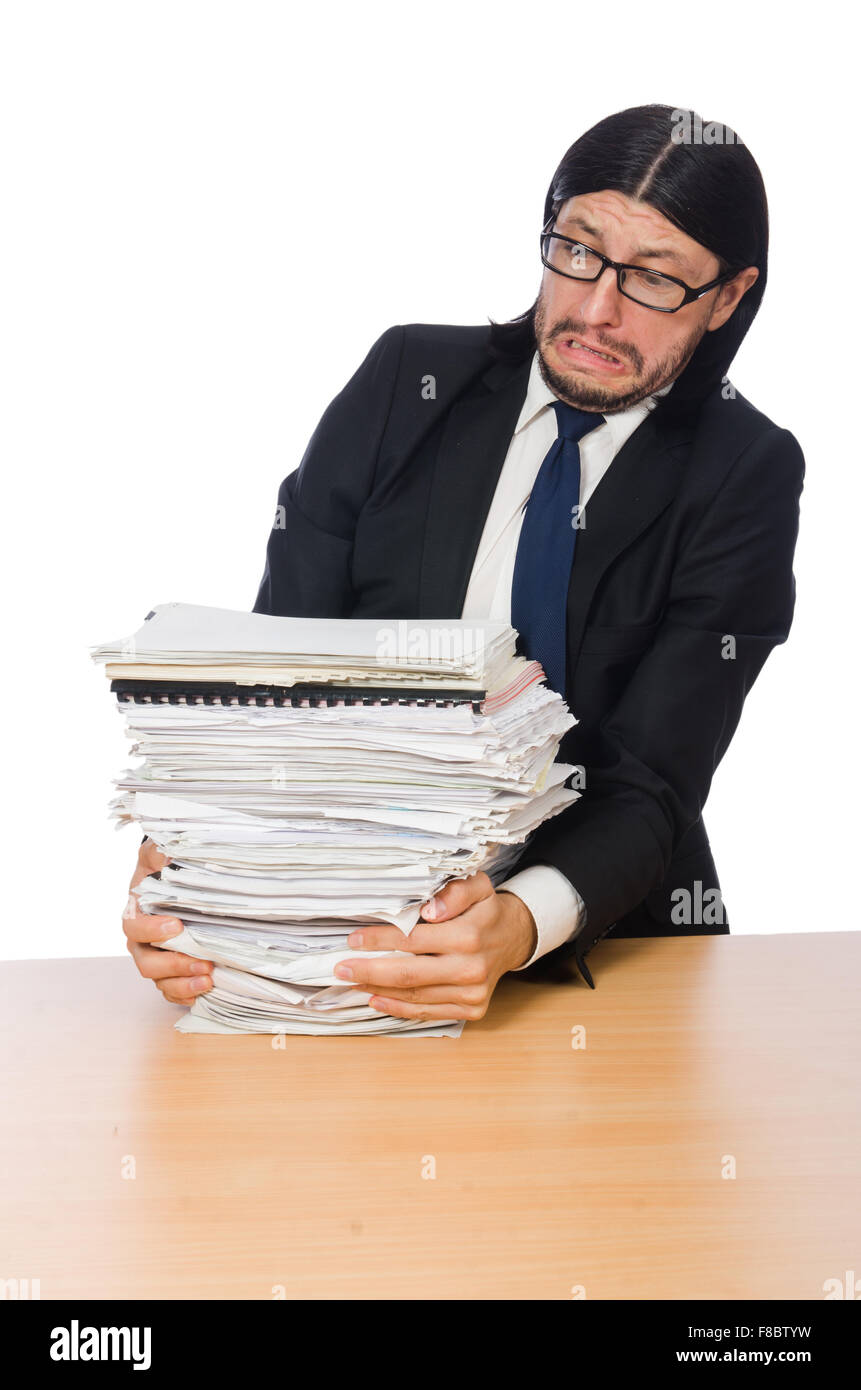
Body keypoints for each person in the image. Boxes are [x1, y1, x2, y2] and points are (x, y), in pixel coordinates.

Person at [123, 103, 804, 1024]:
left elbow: (655, 775)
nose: (595, 310)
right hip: (348, 930)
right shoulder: (406, 383)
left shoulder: (744, 472)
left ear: (725, 297)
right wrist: (200, 866)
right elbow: (273, 687)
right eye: (578, 250)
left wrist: (516, 924)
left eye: (654, 281)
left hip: (611, 947)